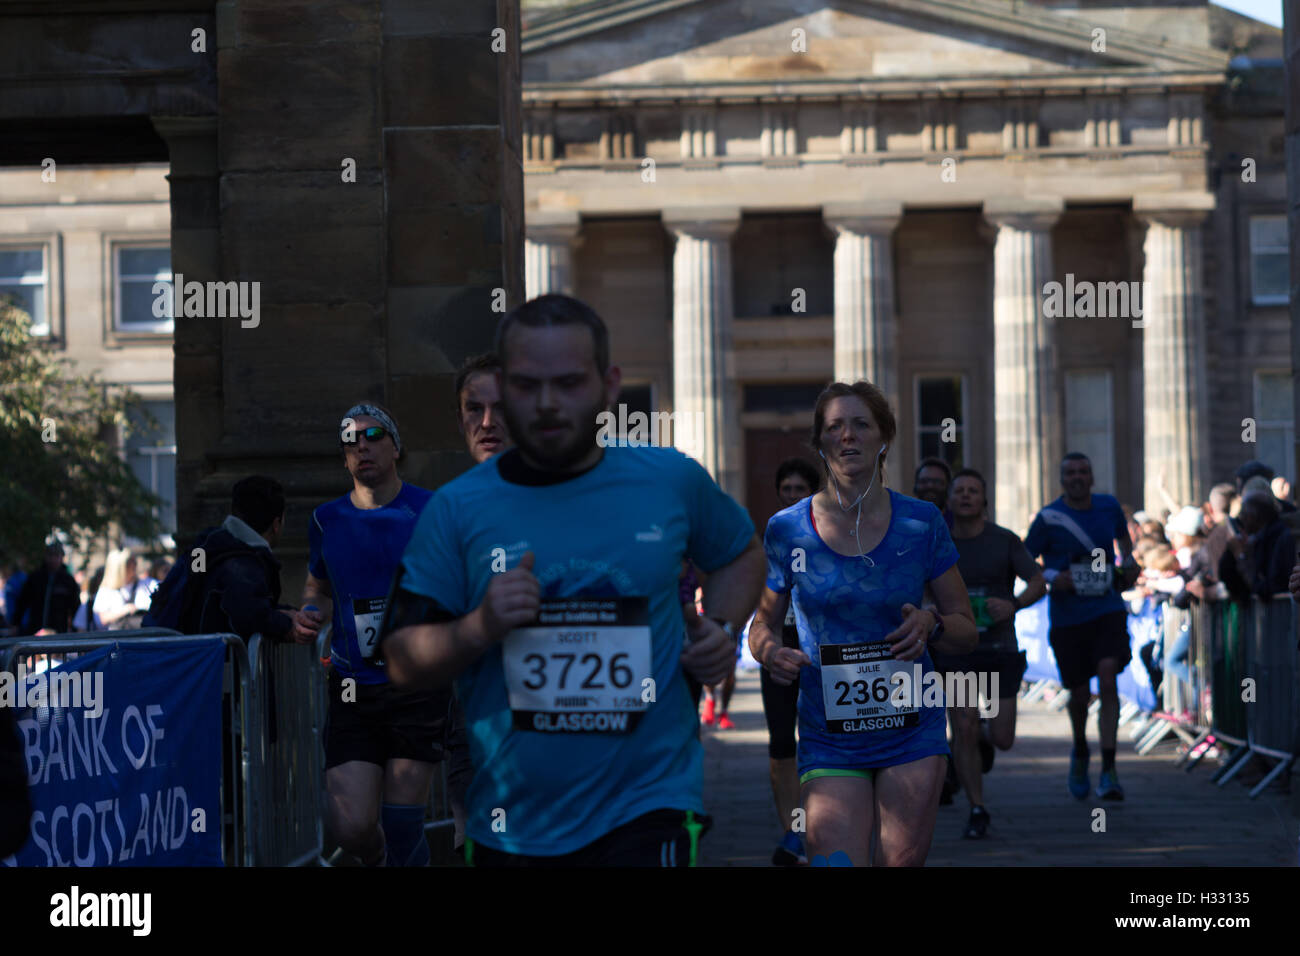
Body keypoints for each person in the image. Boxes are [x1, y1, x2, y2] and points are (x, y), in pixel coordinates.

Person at [379, 293, 766, 866]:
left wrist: (721, 628)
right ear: (506, 388)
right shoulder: (458, 510)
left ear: (609, 386)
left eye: (568, 383)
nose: (548, 404)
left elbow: (740, 552)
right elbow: (401, 659)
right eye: (529, 385)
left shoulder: (668, 481)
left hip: (648, 805)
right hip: (511, 823)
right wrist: (479, 626)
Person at [749, 381, 977, 867]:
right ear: (820, 442)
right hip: (828, 731)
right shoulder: (787, 528)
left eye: (860, 425)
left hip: (911, 725)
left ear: (884, 437)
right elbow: (761, 624)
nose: (847, 437)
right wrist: (770, 652)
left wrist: (930, 622)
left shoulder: (922, 522)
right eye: (834, 427)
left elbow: (965, 625)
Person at [292, 403, 447, 868]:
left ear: (395, 447)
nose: (362, 445)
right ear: (344, 459)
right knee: (351, 825)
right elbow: (317, 586)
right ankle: (377, 859)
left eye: (374, 435)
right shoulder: (325, 520)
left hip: (417, 686)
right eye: (350, 441)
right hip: (353, 687)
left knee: (402, 822)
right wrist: (308, 612)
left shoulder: (432, 509)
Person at [930, 468, 1046, 839]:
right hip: (956, 650)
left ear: (984, 500)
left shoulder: (1004, 540)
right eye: (959, 490)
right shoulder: (938, 542)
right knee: (962, 723)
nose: (965, 496)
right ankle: (977, 807)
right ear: (949, 500)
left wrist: (1012, 604)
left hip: (998, 649)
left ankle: (982, 734)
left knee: (1003, 738)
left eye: (973, 491)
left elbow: (1038, 582)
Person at [1024, 453, 1139, 801]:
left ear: (1091, 477)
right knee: (1078, 694)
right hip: (1068, 617)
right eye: (1070, 473)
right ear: (1062, 480)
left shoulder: (1109, 507)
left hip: (1107, 608)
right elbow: (1025, 559)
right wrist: (1051, 577)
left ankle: (1109, 768)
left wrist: (1129, 563)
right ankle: (1079, 747)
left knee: (1107, 677)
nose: (1077, 477)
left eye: (1083, 472)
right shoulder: (1049, 517)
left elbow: (1124, 542)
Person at [762, 457, 820, 865]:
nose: (792, 495)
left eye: (800, 489)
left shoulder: (827, 534)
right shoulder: (771, 536)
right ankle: (792, 833)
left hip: (819, 648)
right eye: (787, 489)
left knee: (818, 742)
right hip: (780, 644)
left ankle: (817, 826)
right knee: (782, 742)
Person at [156, 476, 295, 641]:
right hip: (216, 660)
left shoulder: (203, 545)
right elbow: (251, 614)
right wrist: (288, 624)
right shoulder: (245, 563)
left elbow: (195, 586)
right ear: (276, 524)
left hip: (191, 652)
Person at [1219, 488, 1295, 601]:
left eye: (1244, 513)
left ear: (1255, 515)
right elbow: (1230, 579)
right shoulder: (1260, 539)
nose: (1241, 519)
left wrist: (1241, 556)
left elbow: (1267, 588)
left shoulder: (1278, 538)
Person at [11, 541, 80, 635]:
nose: (53, 559)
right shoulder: (35, 578)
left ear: (61, 558)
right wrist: (16, 623)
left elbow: (75, 606)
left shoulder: (68, 581)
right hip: (35, 629)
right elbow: (23, 602)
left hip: (58, 631)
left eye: (56, 556)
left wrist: (75, 628)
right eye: (50, 555)